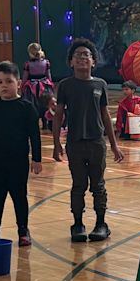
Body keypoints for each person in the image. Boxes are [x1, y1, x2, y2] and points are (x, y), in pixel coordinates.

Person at [53, 38, 123, 243]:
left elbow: (105, 116)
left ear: (94, 61)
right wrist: (56, 144)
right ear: (71, 62)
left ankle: (101, 224)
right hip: (75, 143)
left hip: (96, 143)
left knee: (98, 185)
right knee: (78, 185)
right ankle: (77, 224)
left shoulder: (100, 84)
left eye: (87, 55)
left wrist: (114, 145)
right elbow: (58, 115)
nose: (83, 58)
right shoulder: (66, 86)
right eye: (78, 55)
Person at [0, 61, 42, 246]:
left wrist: (36, 159)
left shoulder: (27, 107)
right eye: (0, 82)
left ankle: (23, 230)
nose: (4, 85)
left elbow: (34, 136)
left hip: (18, 161)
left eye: (8, 81)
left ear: (18, 83)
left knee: (19, 196)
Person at [22, 42, 54, 123]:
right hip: (45, 86)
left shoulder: (28, 64)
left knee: (33, 105)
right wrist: (51, 87)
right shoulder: (46, 63)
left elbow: (25, 78)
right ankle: (45, 122)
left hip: (31, 87)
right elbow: (49, 76)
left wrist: (22, 87)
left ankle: (33, 122)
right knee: (45, 103)